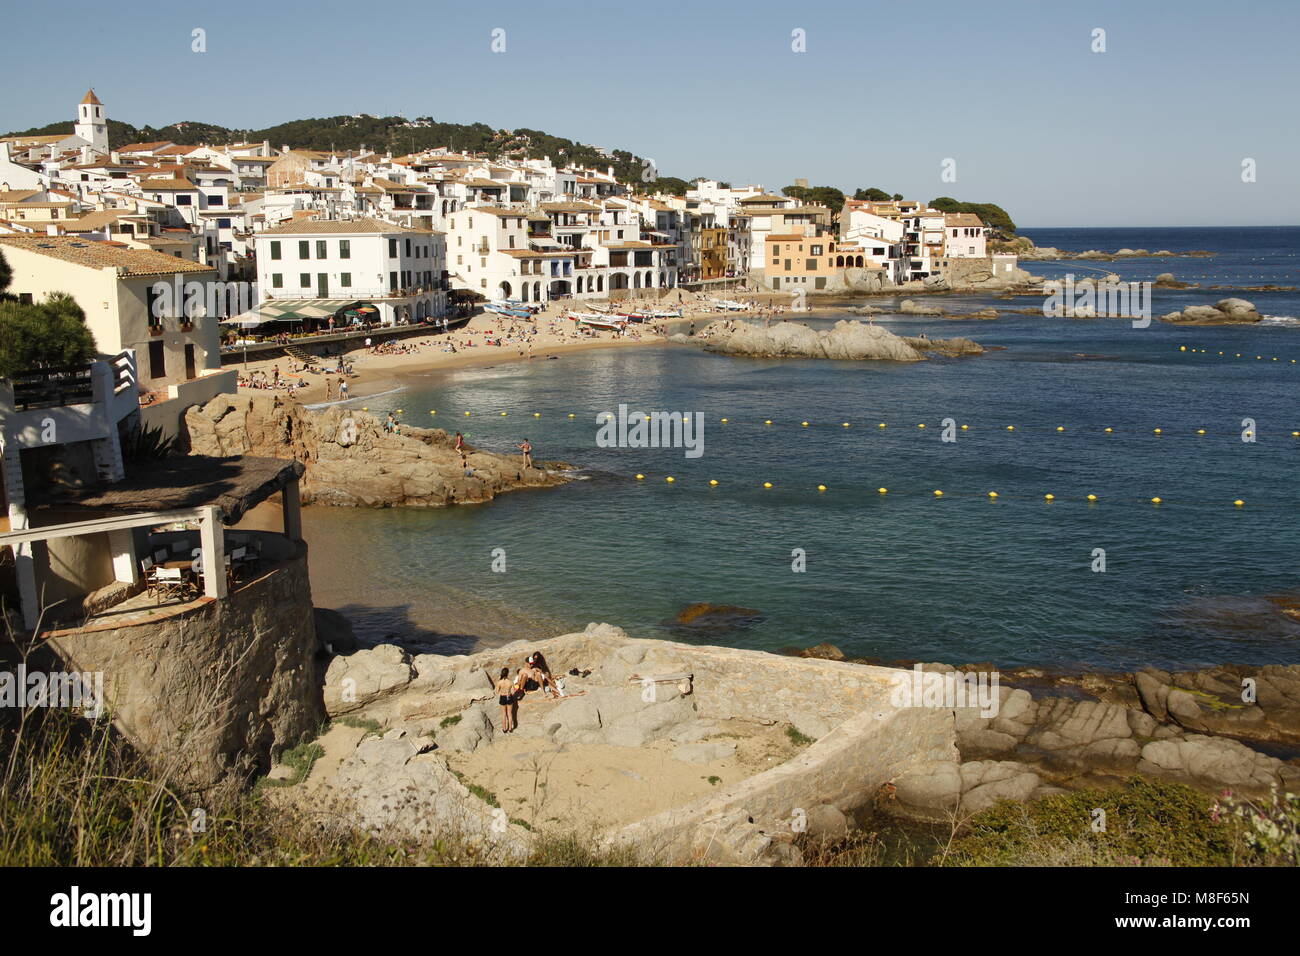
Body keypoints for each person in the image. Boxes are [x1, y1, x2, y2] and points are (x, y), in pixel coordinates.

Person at [495, 667, 517, 733]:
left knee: (503, 714)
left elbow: (496, 691)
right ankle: (510, 728)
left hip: (502, 697)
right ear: (508, 673)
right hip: (509, 697)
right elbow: (513, 692)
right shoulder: (510, 682)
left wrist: (502, 692)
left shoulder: (499, 682)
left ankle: (504, 729)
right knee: (509, 714)